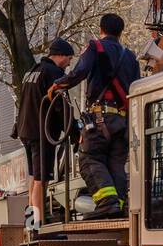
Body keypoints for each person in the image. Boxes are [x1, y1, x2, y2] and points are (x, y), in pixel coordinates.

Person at [49, 13, 140, 219]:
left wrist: (58, 84)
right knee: (116, 163)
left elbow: (80, 72)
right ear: (120, 32)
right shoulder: (131, 57)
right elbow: (136, 89)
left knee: (89, 159)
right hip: (123, 121)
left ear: (101, 30)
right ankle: (119, 205)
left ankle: (107, 203)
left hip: (100, 119)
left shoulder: (95, 47)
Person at [13, 38, 75, 230]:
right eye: (69, 59)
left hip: (26, 130)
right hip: (41, 132)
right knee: (42, 179)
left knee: (34, 177)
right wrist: (74, 131)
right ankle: (37, 227)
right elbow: (60, 107)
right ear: (61, 56)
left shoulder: (31, 71)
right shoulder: (54, 74)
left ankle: (30, 224)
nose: (69, 64)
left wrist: (16, 128)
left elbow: (23, 101)